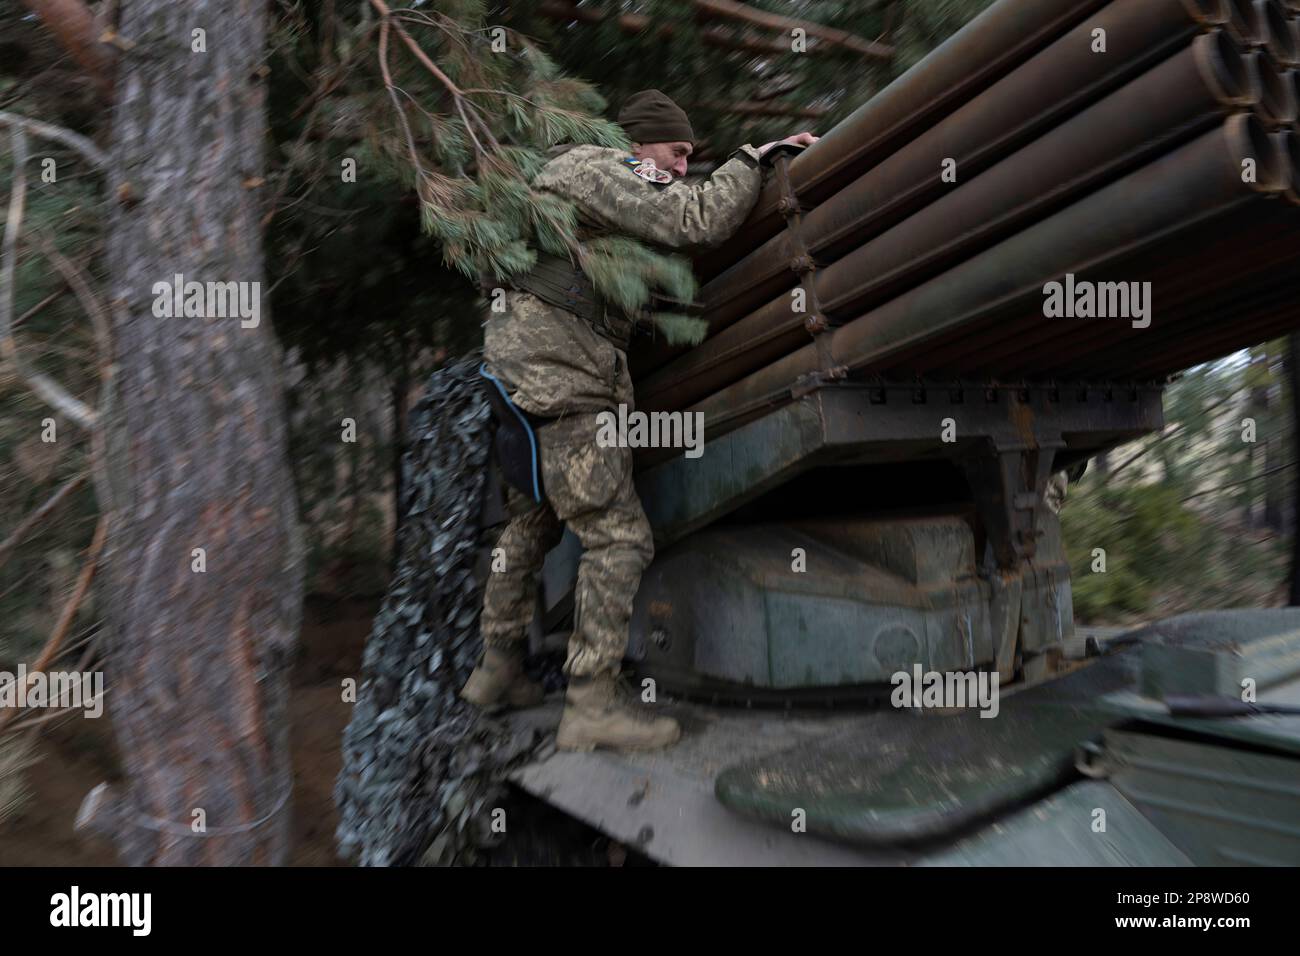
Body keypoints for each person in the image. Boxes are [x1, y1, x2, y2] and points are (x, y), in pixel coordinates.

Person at [459, 88, 817, 750]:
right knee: (619, 540)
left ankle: (496, 671)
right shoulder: (602, 167)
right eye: (676, 152)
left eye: (689, 157)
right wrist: (754, 157)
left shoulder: (571, 183)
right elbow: (698, 219)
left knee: (529, 526)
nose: (681, 166)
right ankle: (591, 704)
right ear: (640, 144)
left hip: (522, 381)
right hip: (561, 383)